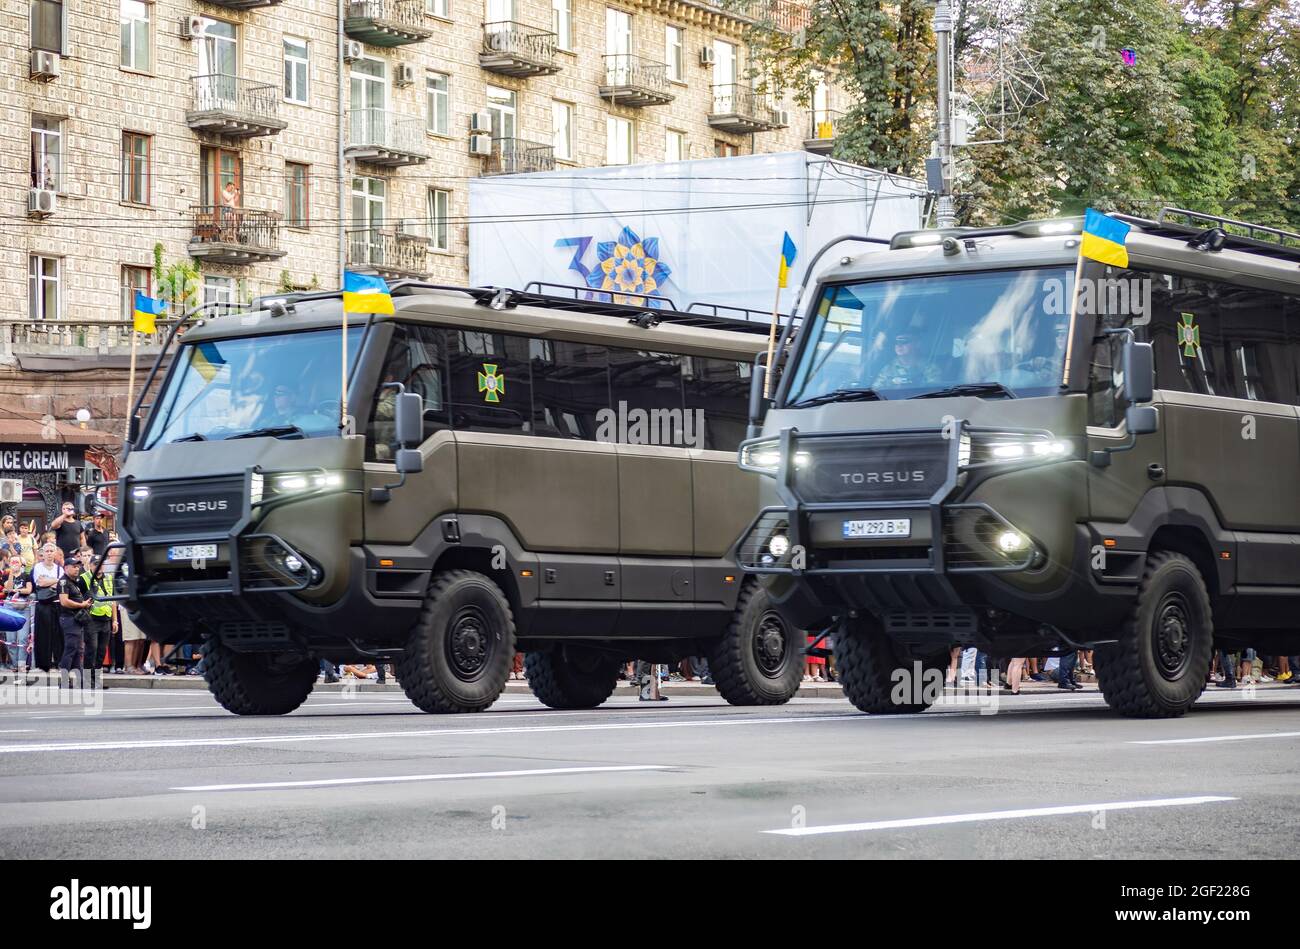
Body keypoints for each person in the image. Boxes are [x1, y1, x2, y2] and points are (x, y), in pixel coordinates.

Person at [56, 556, 92, 687]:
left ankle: (82, 681)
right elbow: (64, 601)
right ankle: (64, 681)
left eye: (78, 566)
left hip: (76, 620)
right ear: (66, 568)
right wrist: (82, 605)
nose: (77, 569)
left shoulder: (74, 582)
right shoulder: (63, 582)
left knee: (77, 651)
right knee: (71, 650)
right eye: (74, 566)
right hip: (69, 619)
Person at [83, 553, 114, 689]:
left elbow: (112, 600)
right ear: (90, 566)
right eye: (96, 564)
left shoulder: (109, 578)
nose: (99, 567)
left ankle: (96, 680)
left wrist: (115, 621)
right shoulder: (84, 578)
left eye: (101, 564)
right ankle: (86, 680)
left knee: (101, 651)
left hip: (106, 619)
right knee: (92, 649)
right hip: (92, 618)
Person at [31, 543, 63, 672]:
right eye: (47, 551)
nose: (49, 553)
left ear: (55, 553)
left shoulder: (59, 569)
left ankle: (58, 662)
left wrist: (51, 582)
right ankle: (43, 664)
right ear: (43, 554)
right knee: (42, 635)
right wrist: (55, 581)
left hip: (56, 604)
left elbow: (60, 585)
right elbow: (41, 582)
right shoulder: (37, 567)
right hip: (43, 605)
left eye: (51, 551)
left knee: (57, 634)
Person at [2, 554, 33, 681]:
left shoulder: (26, 575)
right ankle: (14, 664)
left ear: (22, 564)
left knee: (23, 638)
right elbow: (7, 588)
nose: (14, 564)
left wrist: (17, 591)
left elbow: (29, 590)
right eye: (12, 562)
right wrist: (11, 574)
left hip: (23, 608)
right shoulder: (5, 575)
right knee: (10, 638)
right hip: (9, 608)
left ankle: (21, 664)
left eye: (17, 562)